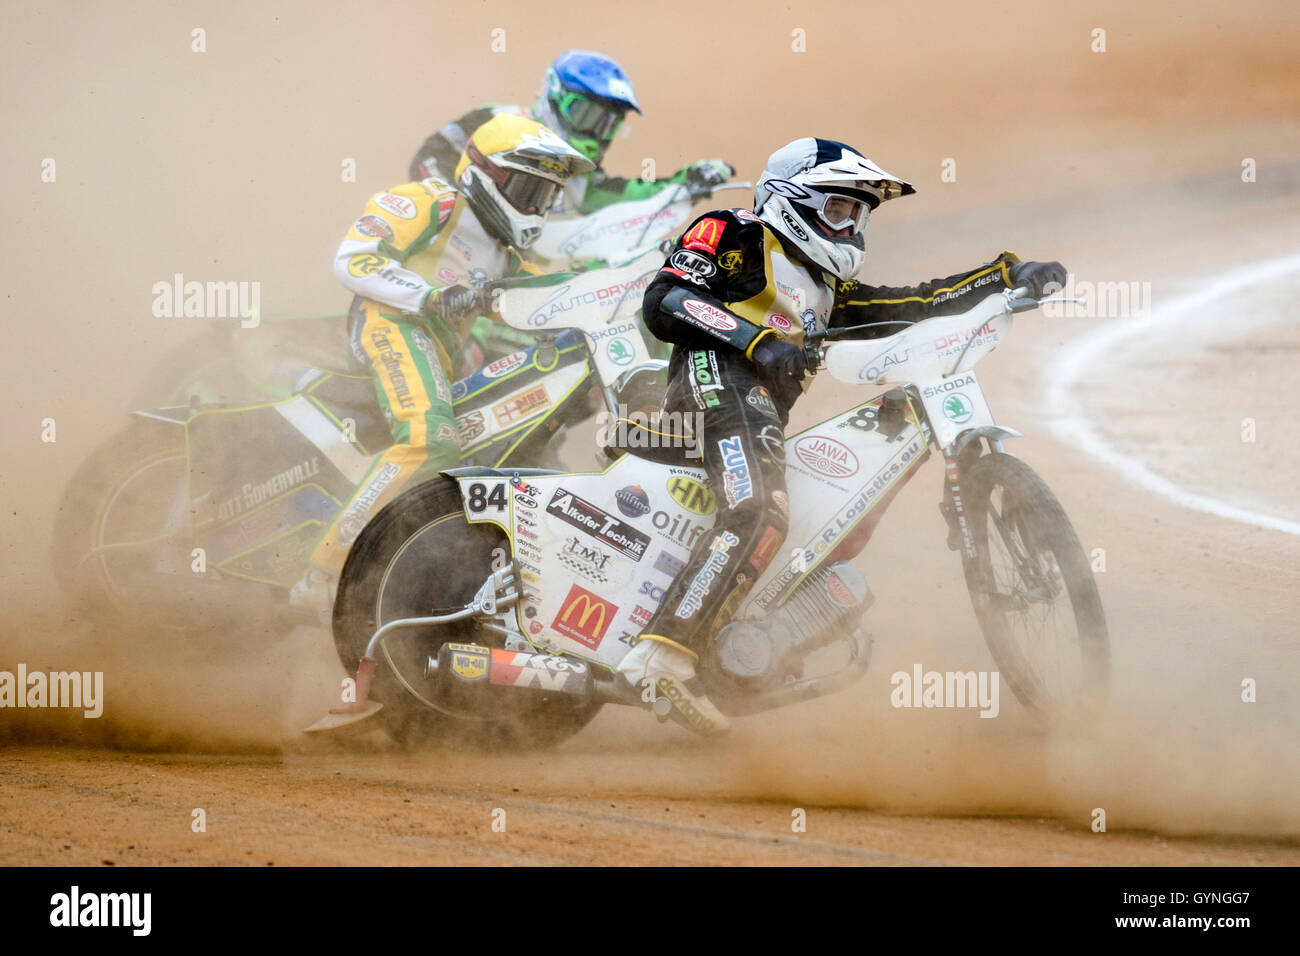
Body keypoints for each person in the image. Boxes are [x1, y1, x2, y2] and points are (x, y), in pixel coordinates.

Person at [615, 137, 1067, 734]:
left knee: (830, 533)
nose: (850, 225)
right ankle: (660, 655)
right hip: (713, 379)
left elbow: (916, 302)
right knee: (762, 509)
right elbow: (664, 301)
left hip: (755, 411)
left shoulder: (829, 291)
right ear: (789, 200)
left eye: (859, 213)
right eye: (837, 209)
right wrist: (754, 339)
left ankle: (739, 652)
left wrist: (1006, 276)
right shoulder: (734, 231)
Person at [292, 114, 594, 605]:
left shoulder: (503, 250)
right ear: (484, 173)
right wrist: (431, 296)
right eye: (526, 189)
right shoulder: (430, 199)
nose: (535, 206)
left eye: (546, 195)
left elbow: (553, 292)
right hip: (393, 324)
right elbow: (354, 257)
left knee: (493, 448)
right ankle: (322, 576)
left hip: (440, 351)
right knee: (432, 444)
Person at [409, 50, 733, 223]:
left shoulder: (580, 173)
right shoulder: (499, 120)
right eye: (586, 115)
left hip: (530, 278)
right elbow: (428, 160)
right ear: (552, 95)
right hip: (462, 265)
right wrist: (456, 214)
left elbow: (624, 198)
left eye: (607, 125)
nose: (595, 133)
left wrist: (686, 183)